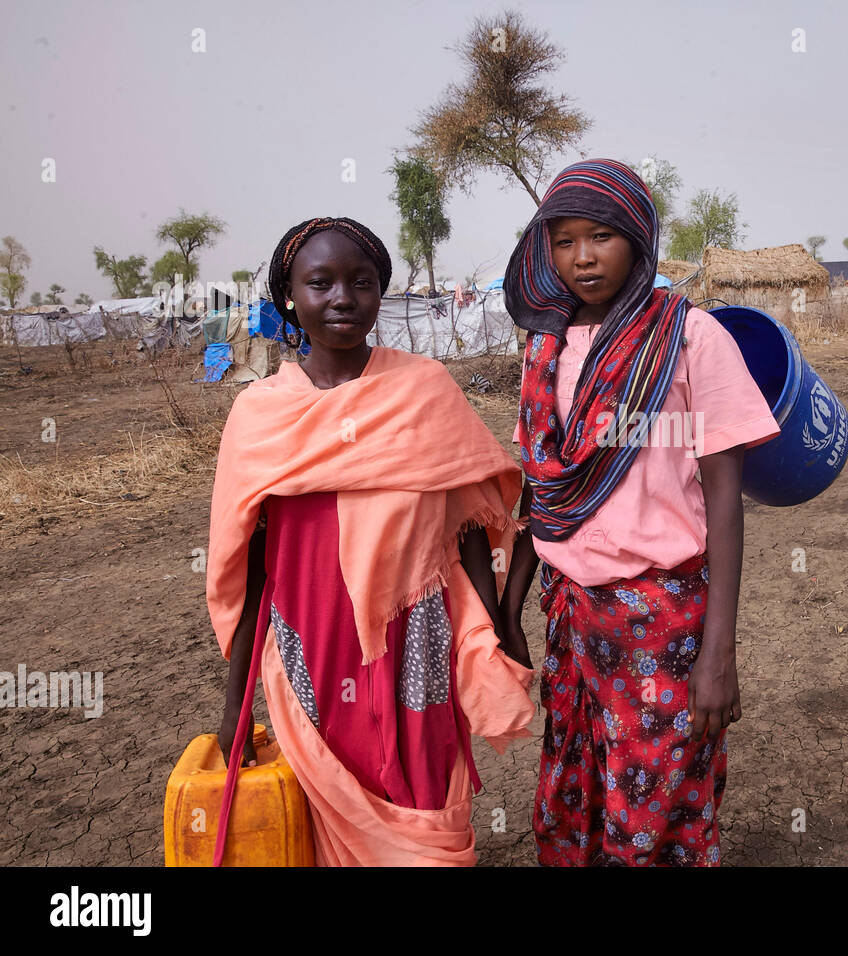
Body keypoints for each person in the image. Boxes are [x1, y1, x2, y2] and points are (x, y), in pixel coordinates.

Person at [207, 217, 534, 866]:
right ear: (290, 296)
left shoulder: (423, 391)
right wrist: (233, 706)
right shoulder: (260, 415)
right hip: (312, 653)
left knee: (428, 823)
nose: (342, 298)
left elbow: (467, 518)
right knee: (330, 824)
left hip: (419, 646)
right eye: (320, 282)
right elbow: (247, 569)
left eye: (361, 282)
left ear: (381, 291)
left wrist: (496, 628)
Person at [497, 159, 780, 866]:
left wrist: (720, 652)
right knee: (576, 788)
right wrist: (510, 605)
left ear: (639, 237)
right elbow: (543, 484)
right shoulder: (545, 345)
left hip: (662, 622)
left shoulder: (690, 339)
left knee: (654, 807)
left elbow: (724, 497)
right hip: (569, 615)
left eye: (601, 236)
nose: (583, 258)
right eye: (563, 241)